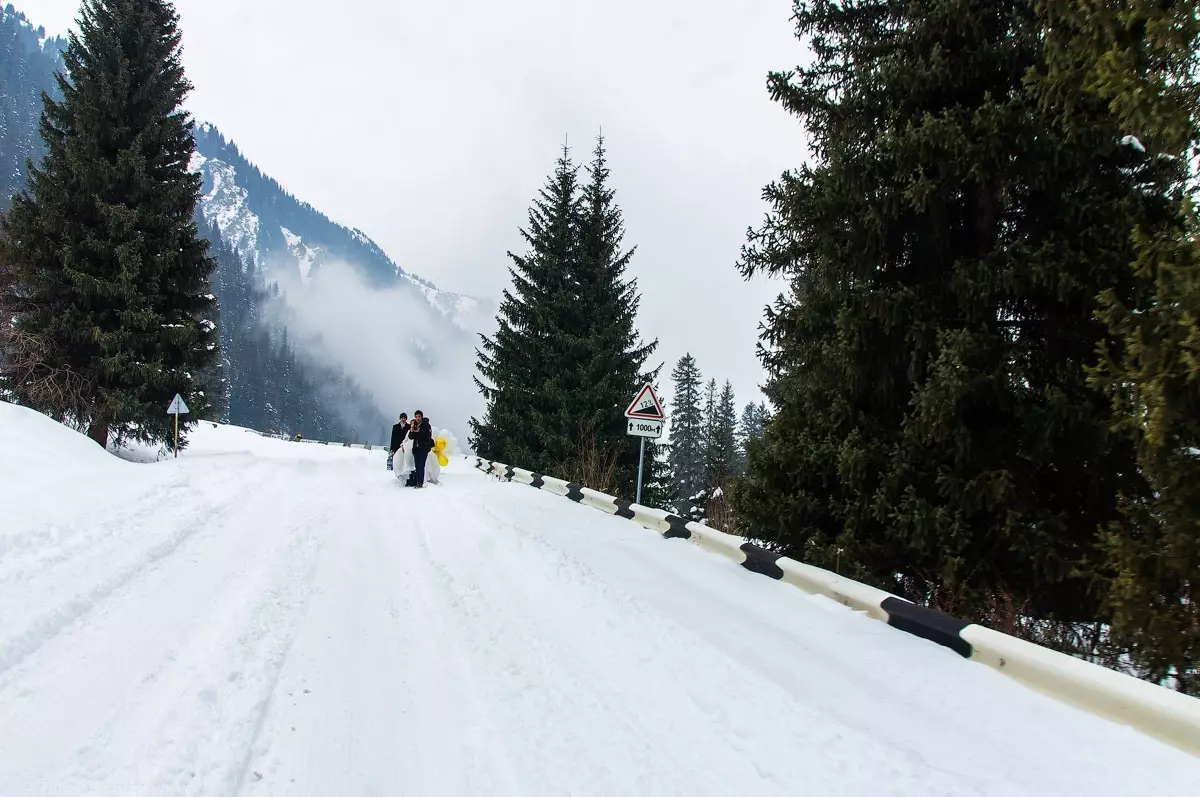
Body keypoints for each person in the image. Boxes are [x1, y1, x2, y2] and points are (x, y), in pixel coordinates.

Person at [406, 410, 434, 487]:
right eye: (416, 417)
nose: (417, 418)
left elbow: (427, 436)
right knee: (417, 466)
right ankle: (417, 481)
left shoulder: (426, 425)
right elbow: (411, 437)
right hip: (416, 448)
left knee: (421, 465)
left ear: (421, 417)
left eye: (419, 416)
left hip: (424, 448)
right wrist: (412, 430)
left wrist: (419, 431)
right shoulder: (414, 424)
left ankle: (420, 483)